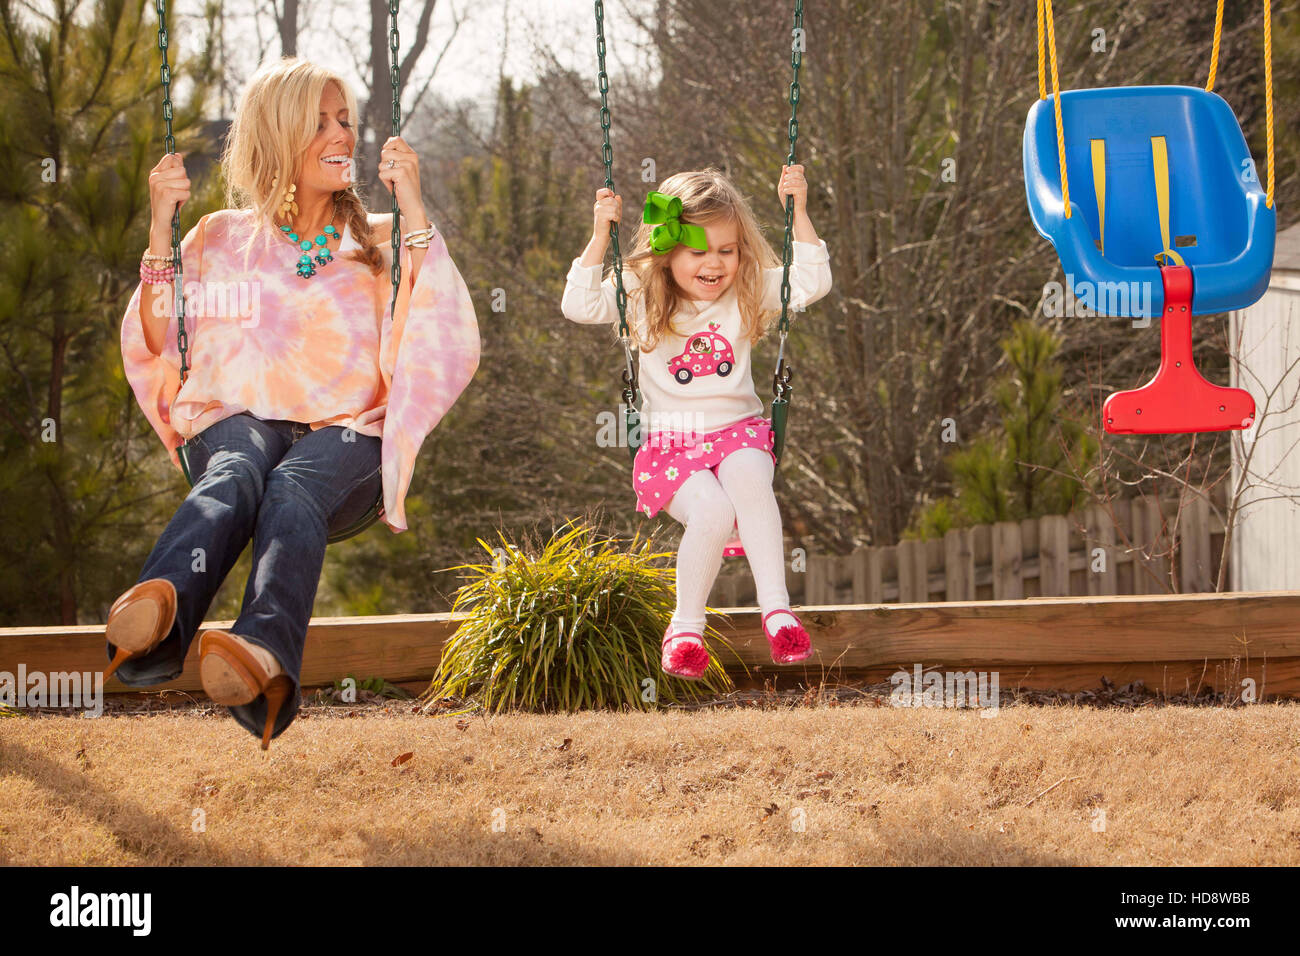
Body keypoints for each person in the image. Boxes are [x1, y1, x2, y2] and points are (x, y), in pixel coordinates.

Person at [106, 57, 480, 748]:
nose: (342, 136)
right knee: (239, 471)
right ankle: (161, 606)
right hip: (235, 420)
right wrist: (162, 226)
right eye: (319, 124)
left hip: (345, 436)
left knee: (293, 485)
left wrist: (416, 209)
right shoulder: (220, 237)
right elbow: (157, 333)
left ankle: (265, 649)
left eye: (345, 121)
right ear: (277, 137)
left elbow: (438, 323)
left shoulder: (374, 239)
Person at [560, 167, 832, 679]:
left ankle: (777, 610)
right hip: (671, 442)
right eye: (698, 251)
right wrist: (600, 234)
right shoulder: (641, 292)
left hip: (739, 431)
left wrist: (798, 211)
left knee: (752, 481)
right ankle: (686, 629)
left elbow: (814, 280)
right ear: (669, 251)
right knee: (711, 512)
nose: (714, 264)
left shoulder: (747, 288)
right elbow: (577, 304)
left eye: (726, 250)